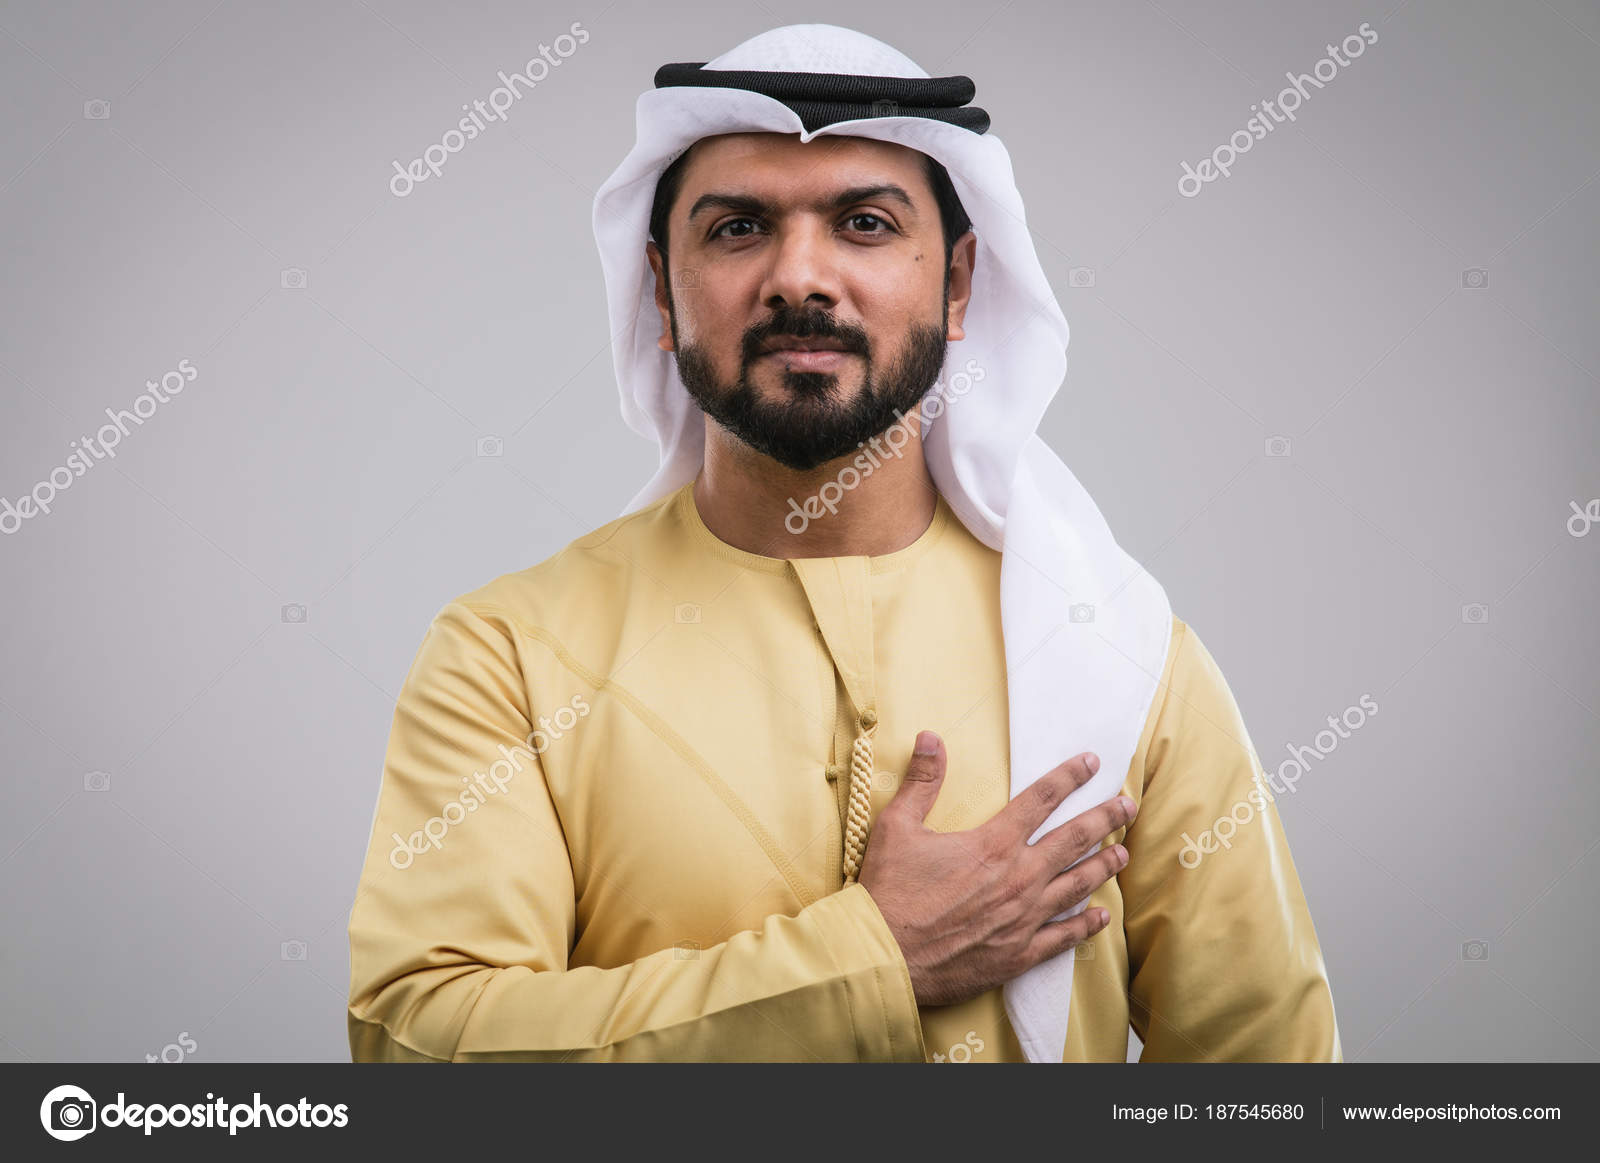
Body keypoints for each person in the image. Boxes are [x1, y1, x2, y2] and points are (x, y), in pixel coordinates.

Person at [346, 23, 1341, 1063]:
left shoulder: (1120, 652)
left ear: (958, 283)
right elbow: (421, 1048)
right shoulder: (506, 652)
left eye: (864, 224)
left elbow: (1266, 1076)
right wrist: (874, 959)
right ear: (659, 290)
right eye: (738, 229)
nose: (799, 278)